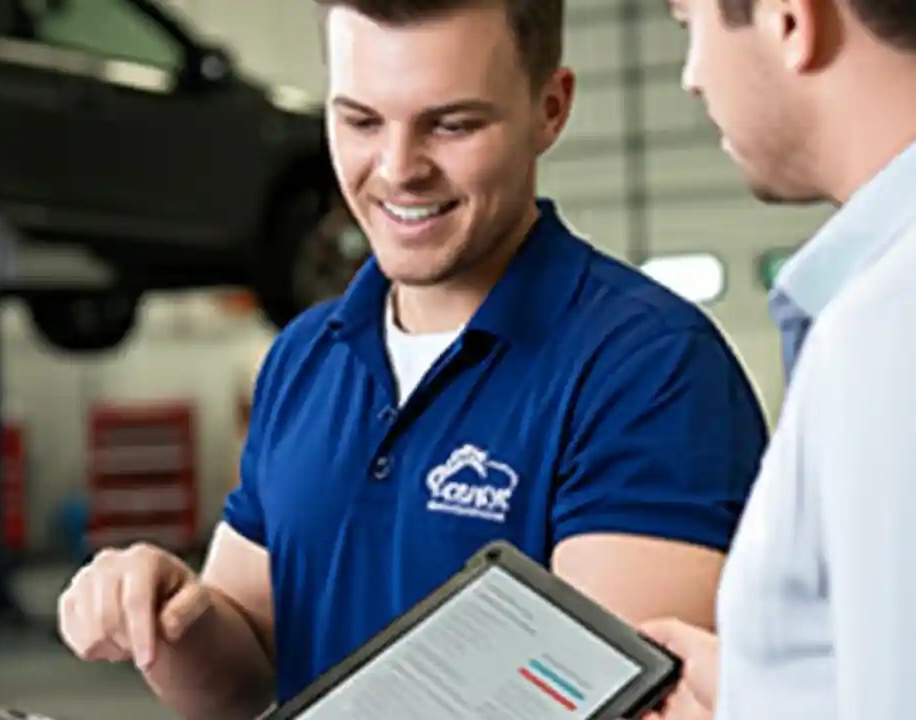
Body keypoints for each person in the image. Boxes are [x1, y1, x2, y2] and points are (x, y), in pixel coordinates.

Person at [57, 1, 768, 717]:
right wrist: (170, 618)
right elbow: (240, 685)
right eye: (361, 121)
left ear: (550, 109)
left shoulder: (650, 371)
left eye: (452, 124)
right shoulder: (305, 358)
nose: (398, 170)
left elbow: (604, 701)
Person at [642, 1, 916, 719]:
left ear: (792, 20)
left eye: (688, 25)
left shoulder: (888, 328)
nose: (693, 77)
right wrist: (762, 692)